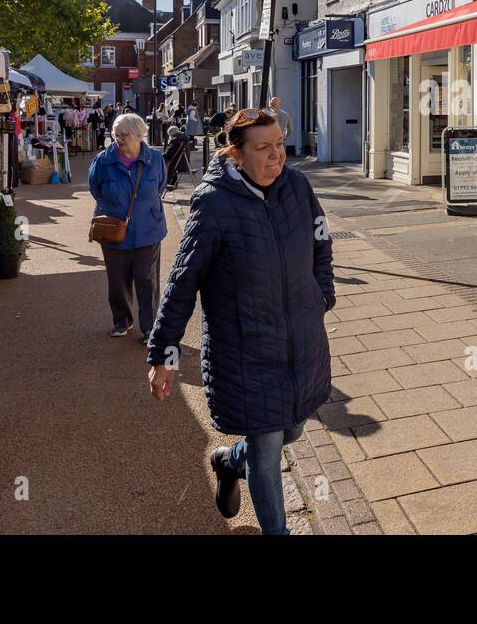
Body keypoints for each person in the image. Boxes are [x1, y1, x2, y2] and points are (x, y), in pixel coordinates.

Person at [146, 107, 335, 535]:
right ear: (236, 155)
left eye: (279, 145)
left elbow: (321, 239)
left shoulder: (299, 186)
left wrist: (322, 294)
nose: (276, 157)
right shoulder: (213, 204)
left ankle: (229, 461)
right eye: (263, 148)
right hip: (245, 350)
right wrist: (164, 355)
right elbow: (182, 282)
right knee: (267, 450)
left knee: (291, 431)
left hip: (300, 343)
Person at [88, 113, 168, 340]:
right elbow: (95, 188)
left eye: (124, 135)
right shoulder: (103, 161)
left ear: (139, 136)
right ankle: (121, 321)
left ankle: (150, 327)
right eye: (116, 135)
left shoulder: (154, 159)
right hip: (113, 230)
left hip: (148, 229)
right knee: (117, 279)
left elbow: (160, 186)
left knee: (147, 280)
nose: (119, 140)